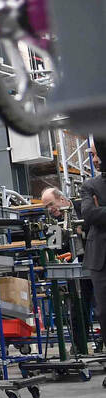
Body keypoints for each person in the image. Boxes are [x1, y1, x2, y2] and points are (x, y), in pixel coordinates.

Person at [77, 141, 106, 349]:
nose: (94, 160)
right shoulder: (90, 185)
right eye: (92, 155)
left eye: (97, 155)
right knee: (104, 313)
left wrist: (101, 210)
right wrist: (96, 212)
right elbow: (88, 214)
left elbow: (97, 214)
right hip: (101, 260)